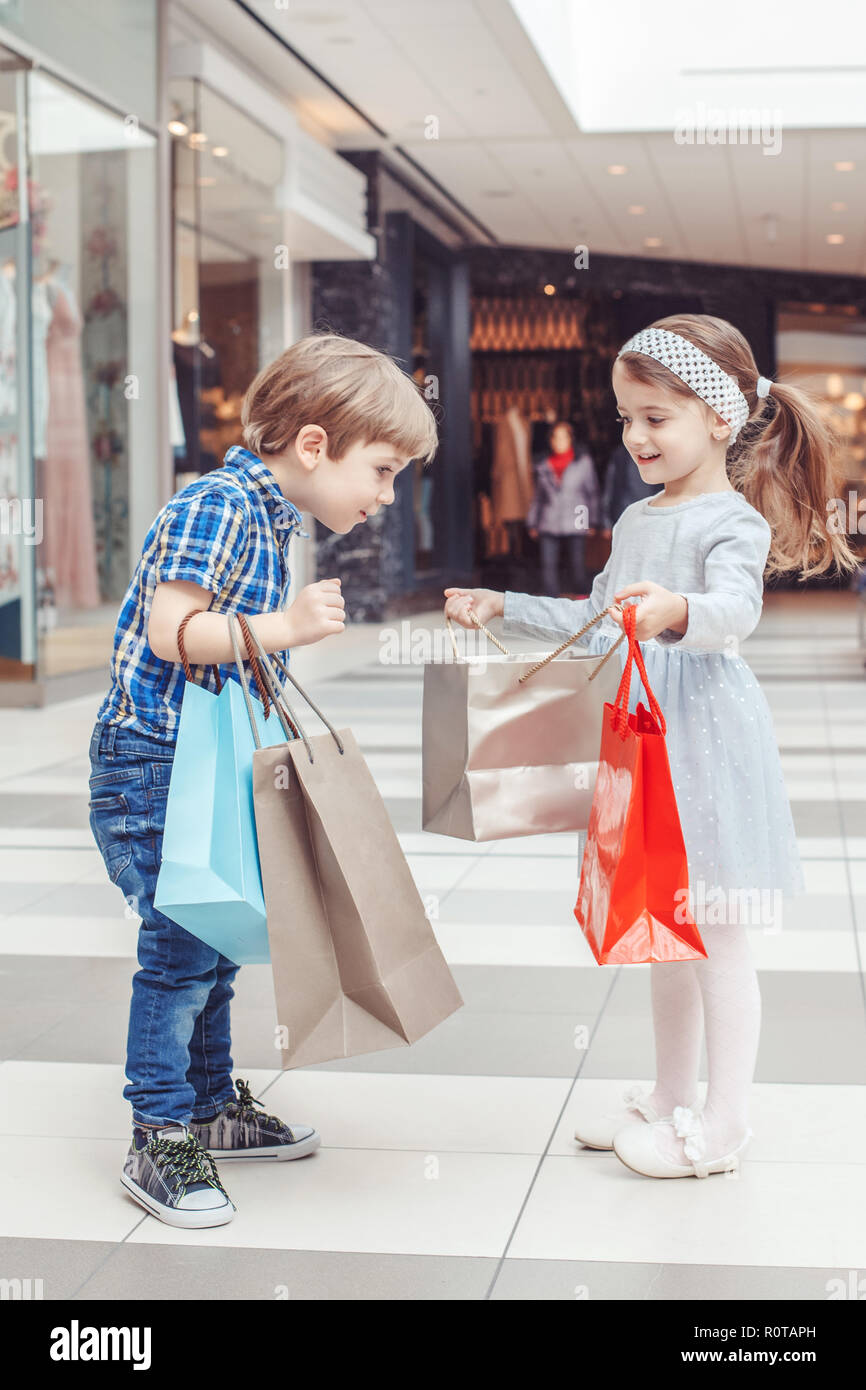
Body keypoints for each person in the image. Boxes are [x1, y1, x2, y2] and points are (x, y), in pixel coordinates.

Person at [444, 313, 858, 1180]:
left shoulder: (732, 523)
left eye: (654, 418)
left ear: (719, 417)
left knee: (718, 932)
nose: (634, 436)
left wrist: (677, 612)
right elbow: (597, 619)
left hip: (705, 736)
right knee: (661, 925)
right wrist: (503, 604)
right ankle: (672, 1099)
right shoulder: (635, 518)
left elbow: (734, 612)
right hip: (643, 739)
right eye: (625, 417)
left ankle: (725, 1120)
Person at [88, 332, 437, 1227]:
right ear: (315, 445)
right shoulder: (220, 504)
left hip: (202, 762)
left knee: (217, 935)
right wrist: (282, 626)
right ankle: (158, 1131)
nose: (386, 496)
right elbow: (177, 632)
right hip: (154, 766)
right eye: (384, 470)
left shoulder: (269, 513)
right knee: (177, 950)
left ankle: (208, 1106)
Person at [526, 420, 601, 597]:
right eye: (555, 437)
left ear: (570, 439)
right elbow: (538, 496)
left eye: (563, 437)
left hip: (576, 517)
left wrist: (593, 521)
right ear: (550, 440)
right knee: (548, 566)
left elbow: (592, 492)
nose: (559, 441)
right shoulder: (543, 464)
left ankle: (582, 601)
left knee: (577, 565)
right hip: (549, 519)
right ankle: (551, 604)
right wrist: (532, 522)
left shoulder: (583, 462)